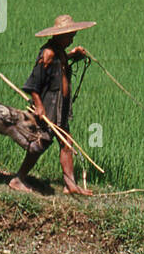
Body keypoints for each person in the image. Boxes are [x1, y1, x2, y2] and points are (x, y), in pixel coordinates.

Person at [10, 14, 96, 195]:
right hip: (49, 105)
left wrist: (73, 55)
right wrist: (39, 105)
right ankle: (18, 179)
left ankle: (70, 185)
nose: (72, 38)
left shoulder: (59, 51)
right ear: (58, 35)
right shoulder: (48, 54)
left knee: (66, 142)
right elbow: (33, 84)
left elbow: (60, 64)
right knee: (42, 142)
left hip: (61, 106)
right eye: (69, 35)